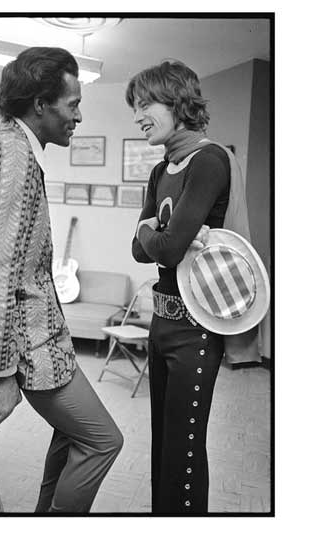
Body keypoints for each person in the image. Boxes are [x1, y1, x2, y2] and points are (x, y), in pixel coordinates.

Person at [0, 47, 123, 513]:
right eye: (72, 103)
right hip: (25, 345)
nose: (78, 115)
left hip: (41, 338)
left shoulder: (1, 142)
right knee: (103, 441)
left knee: (75, 431)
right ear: (40, 103)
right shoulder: (12, 156)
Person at [127, 60, 251, 514]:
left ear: (177, 102)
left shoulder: (211, 160)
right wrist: (157, 237)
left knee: (183, 450)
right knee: (163, 446)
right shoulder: (163, 169)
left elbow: (170, 247)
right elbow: (142, 249)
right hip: (161, 324)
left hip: (197, 330)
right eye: (135, 107)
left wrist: (155, 234)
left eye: (145, 104)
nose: (138, 115)